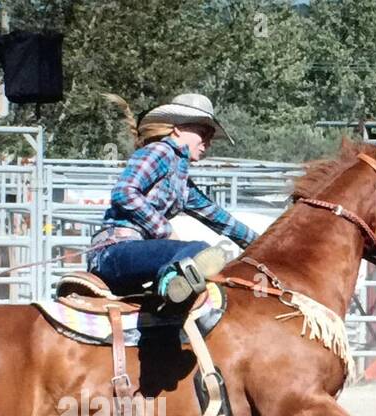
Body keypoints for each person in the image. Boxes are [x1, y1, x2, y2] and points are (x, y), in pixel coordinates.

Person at [88, 93, 257, 309]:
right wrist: (164, 230)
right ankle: (170, 285)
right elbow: (124, 192)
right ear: (178, 128)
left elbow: (221, 219)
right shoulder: (160, 151)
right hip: (114, 252)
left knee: (202, 254)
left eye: (211, 136)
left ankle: (172, 290)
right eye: (203, 132)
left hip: (133, 256)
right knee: (201, 250)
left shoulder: (182, 181)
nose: (208, 142)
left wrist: (260, 244)